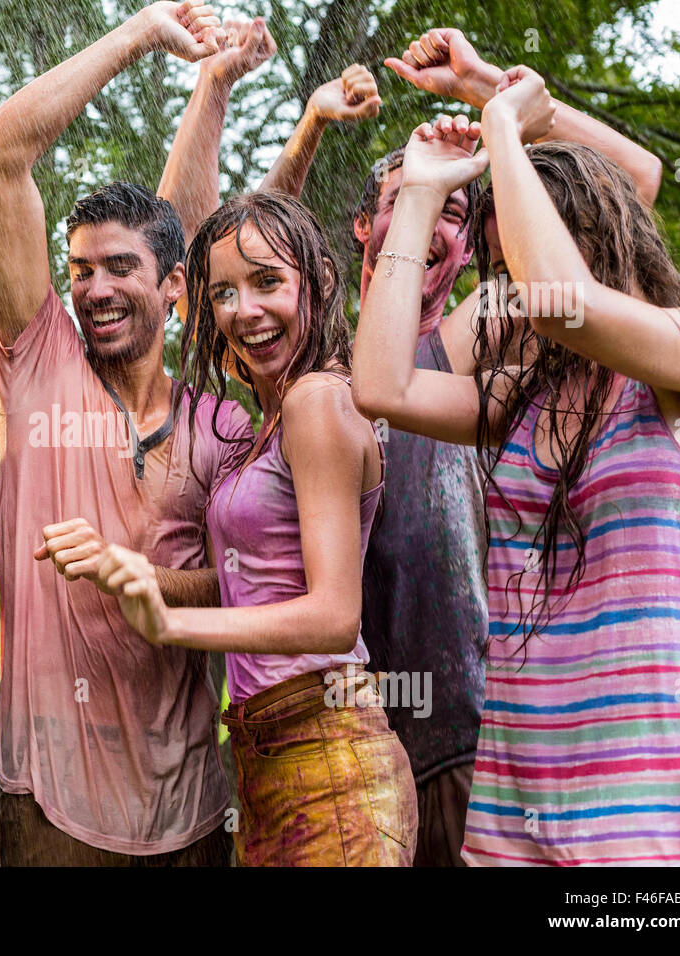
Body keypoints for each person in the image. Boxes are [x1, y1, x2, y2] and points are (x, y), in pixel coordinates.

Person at [351, 68, 680, 865]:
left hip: (651, 812)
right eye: (503, 271)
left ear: (605, 235)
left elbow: (570, 297)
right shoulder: (525, 395)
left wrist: (500, 123)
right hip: (514, 812)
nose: (518, 295)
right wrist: (419, 196)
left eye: (524, 260)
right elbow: (381, 385)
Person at [0, 0, 261, 865]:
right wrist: (138, 34)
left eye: (120, 268)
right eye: (80, 270)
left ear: (175, 289)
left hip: (196, 821)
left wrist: (157, 583)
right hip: (50, 815)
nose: (94, 288)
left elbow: (259, 588)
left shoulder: (220, 420)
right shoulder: (37, 367)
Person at [91, 190, 417, 865]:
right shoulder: (269, 419)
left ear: (319, 282)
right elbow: (260, 583)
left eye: (268, 281)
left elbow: (332, 617)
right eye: (223, 293)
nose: (246, 311)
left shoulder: (317, 402)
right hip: (264, 755)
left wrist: (171, 624)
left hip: (328, 753)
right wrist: (150, 577)